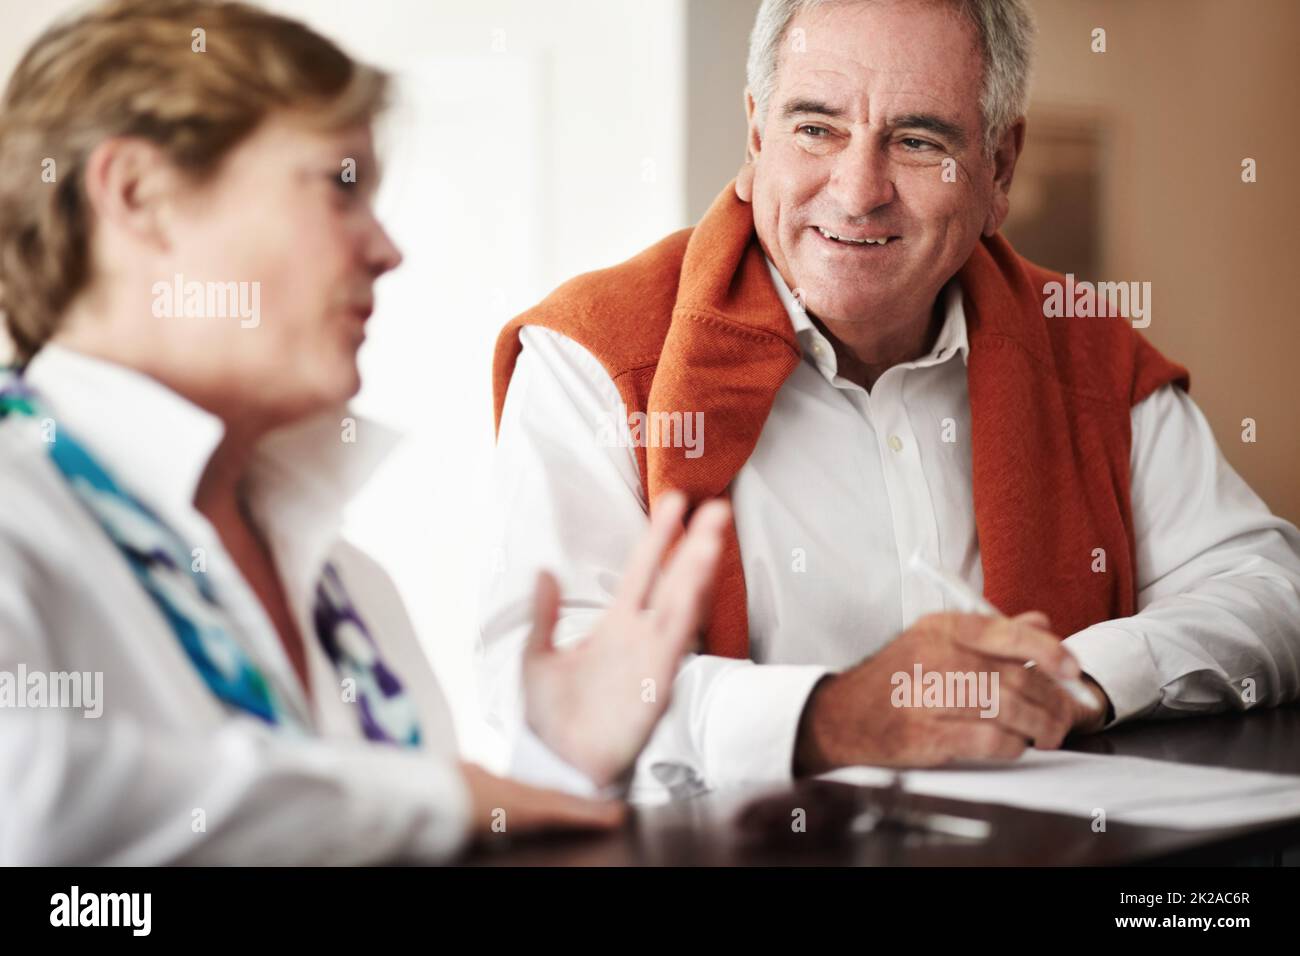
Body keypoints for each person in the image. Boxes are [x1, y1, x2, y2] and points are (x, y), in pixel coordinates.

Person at [482, 0, 1300, 799]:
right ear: (756, 136)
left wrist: (1069, 680)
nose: (858, 189)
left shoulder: (1086, 345)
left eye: (916, 141)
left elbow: (1270, 591)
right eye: (815, 128)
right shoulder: (589, 358)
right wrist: (831, 718)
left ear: (1000, 169)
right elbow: (552, 696)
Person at [0, 0, 730, 864]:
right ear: (140, 195)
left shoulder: (347, 581)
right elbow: (32, 808)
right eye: (341, 183)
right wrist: (439, 798)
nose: (388, 250)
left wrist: (557, 766)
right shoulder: (20, 515)